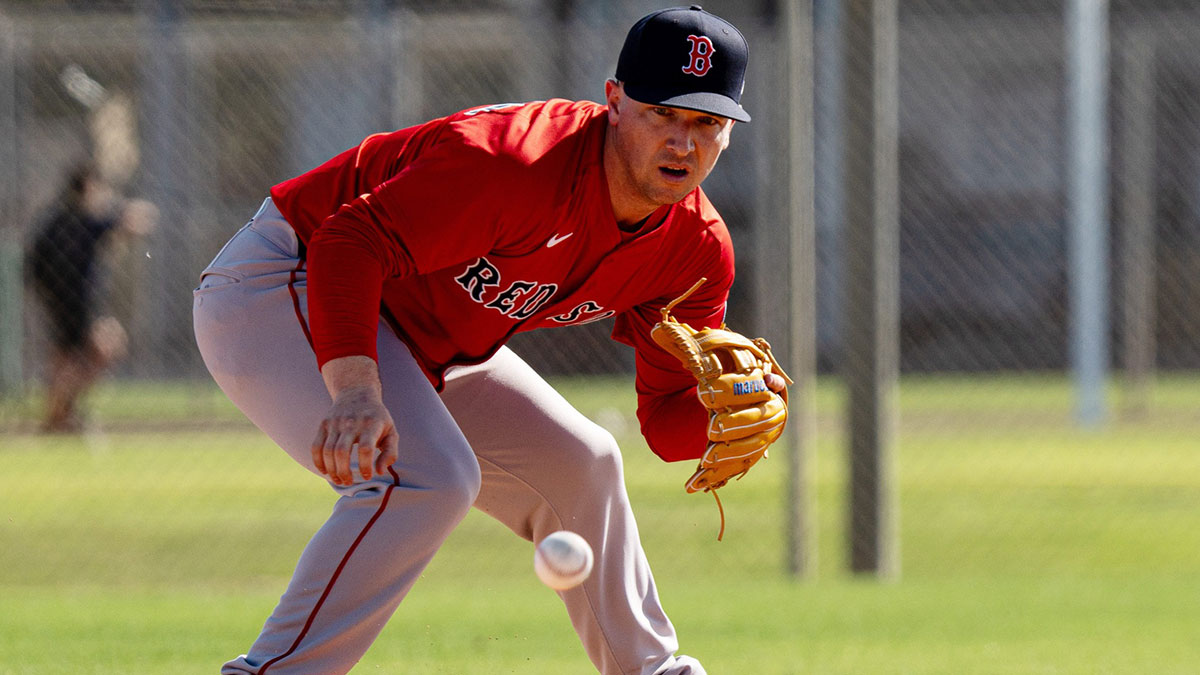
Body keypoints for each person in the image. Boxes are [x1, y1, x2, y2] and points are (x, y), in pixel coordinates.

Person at [193, 6, 782, 674]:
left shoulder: (696, 252)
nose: (682, 143)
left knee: (585, 462)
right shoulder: (515, 164)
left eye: (706, 122)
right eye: (661, 114)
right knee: (428, 477)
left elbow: (665, 426)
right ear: (613, 101)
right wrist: (355, 391)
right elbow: (348, 242)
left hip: (428, 342)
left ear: (730, 132)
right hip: (285, 280)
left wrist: (726, 411)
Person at [26, 164, 157, 432]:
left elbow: (33, 267)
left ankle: (61, 415)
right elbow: (136, 219)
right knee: (106, 347)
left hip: (57, 302)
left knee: (66, 359)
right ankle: (59, 413)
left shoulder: (54, 221)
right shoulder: (83, 220)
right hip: (78, 303)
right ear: (88, 188)